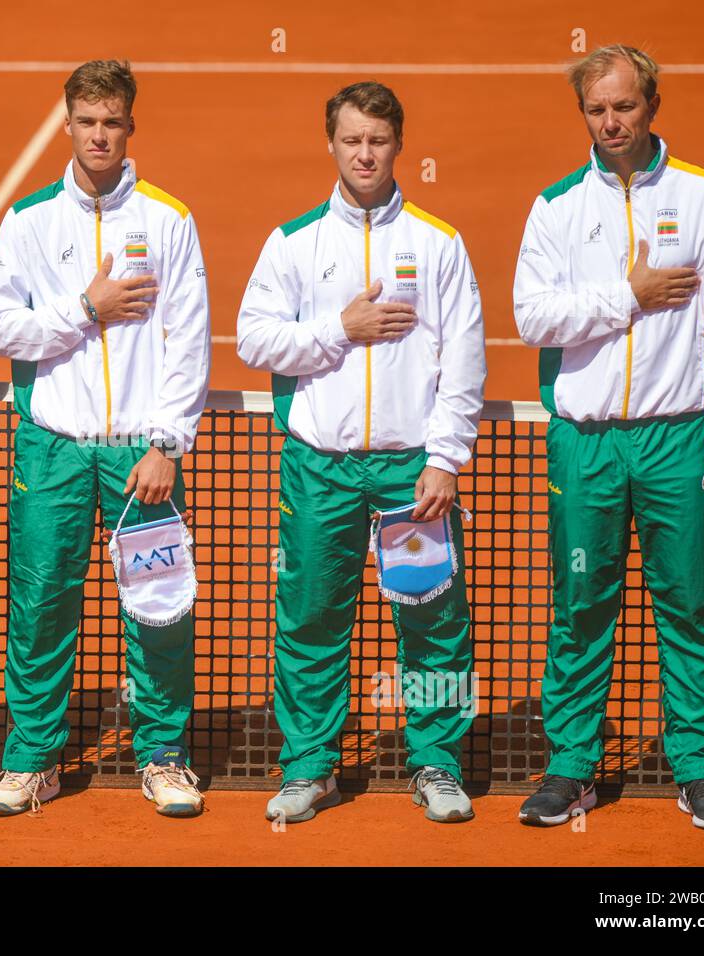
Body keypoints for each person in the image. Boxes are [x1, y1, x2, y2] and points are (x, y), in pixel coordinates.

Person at [513, 45, 704, 830]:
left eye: (624, 106)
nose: (611, 122)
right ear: (583, 113)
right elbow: (534, 317)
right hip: (585, 443)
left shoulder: (702, 197)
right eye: (596, 109)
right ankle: (572, 766)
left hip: (681, 437)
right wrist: (630, 294)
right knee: (581, 602)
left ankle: (697, 766)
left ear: (652, 104)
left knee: (689, 603)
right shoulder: (555, 207)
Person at [237, 81, 486, 824]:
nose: (365, 154)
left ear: (398, 145)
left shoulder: (439, 243)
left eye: (378, 140)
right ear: (332, 145)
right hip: (322, 468)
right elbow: (254, 338)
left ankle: (437, 763)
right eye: (352, 140)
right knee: (312, 617)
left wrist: (445, 458)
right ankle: (311, 767)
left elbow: (464, 359)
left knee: (433, 620)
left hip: (413, 472)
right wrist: (336, 329)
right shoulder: (294, 243)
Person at [0, 60, 211, 817]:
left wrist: (167, 445)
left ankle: (165, 757)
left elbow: (189, 341)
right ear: (67, 123)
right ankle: (32, 762)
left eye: (112, 121)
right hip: (52, 449)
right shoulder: (30, 221)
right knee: (41, 604)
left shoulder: (169, 221)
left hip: (141, 455)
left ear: (129, 126)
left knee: (158, 608)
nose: (99, 134)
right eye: (87, 121)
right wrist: (85, 306)